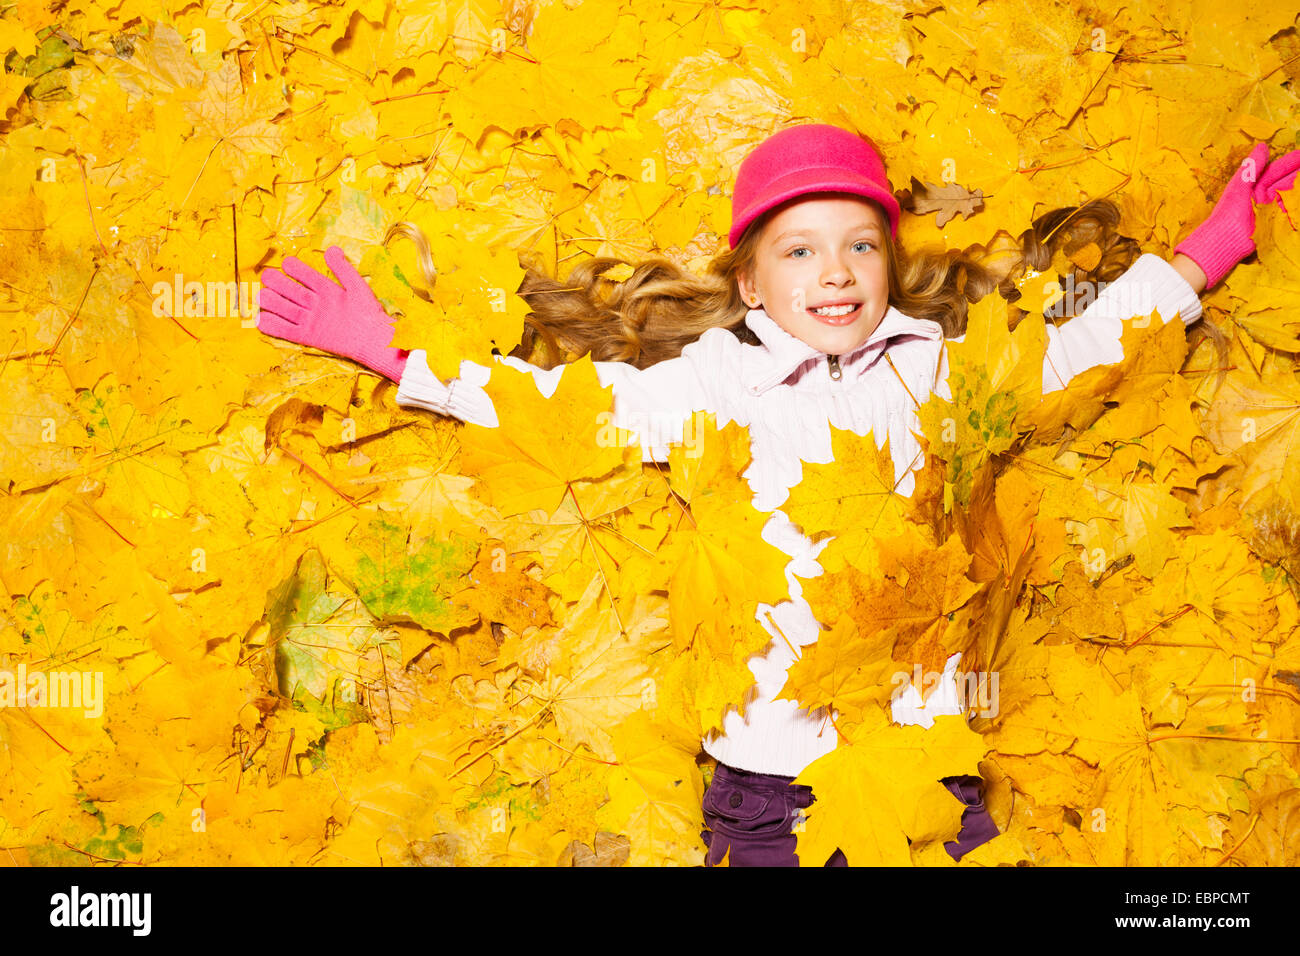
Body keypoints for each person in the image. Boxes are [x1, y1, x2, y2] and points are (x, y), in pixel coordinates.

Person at [256, 123, 1300, 866]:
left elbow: (1074, 353)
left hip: (919, 765)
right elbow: (558, 403)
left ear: (888, 262)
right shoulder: (711, 386)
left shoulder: (936, 370)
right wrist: (392, 354)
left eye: (858, 244)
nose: (836, 270)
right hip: (759, 782)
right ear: (751, 282)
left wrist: (1203, 253)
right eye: (799, 249)